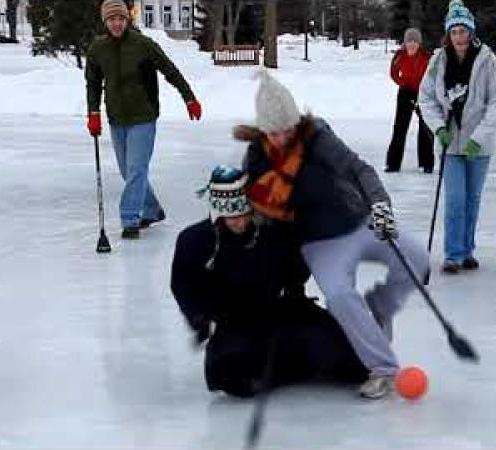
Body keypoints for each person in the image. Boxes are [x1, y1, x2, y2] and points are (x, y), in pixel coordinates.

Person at [238, 72, 429, 399]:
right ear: (263, 130)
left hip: (359, 220)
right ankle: (383, 368)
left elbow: (359, 169)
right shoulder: (257, 157)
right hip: (320, 242)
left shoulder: (317, 136)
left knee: (417, 259)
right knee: (340, 296)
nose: (282, 137)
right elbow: (255, 209)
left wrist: (380, 206)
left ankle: (379, 305)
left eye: (288, 129)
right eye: (274, 132)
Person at [171, 166, 367, 397]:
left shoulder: (275, 228)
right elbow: (184, 285)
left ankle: (296, 363)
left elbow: (300, 258)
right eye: (230, 217)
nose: (238, 222)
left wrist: (293, 287)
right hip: (235, 320)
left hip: (283, 310)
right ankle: (287, 368)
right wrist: (199, 318)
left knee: (352, 360)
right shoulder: (195, 240)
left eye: (243, 214)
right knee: (228, 374)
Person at [85, 0, 202, 239]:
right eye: (112, 19)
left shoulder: (143, 45)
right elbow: (93, 84)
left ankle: (130, 218)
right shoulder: (98, 49)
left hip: (143, 116)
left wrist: (189, 98)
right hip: (117, 118)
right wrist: (93, 113)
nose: (117, 24)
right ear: (105, 21)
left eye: (121, 18)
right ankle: (151, 210)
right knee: (128, 172)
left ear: (127, 19)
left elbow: (170, 71)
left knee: (136, 168)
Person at [418, 0, 496, 274]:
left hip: (478, 145)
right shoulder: (438, 60)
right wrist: (438, 128)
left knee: (471, 199)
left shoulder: (488, 61)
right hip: (450, 143)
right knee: (455, 199)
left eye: (463, 31)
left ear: (471, 31)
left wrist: (478, 138)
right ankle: (453, 254)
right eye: (454, 31)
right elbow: (426, 97)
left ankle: (467, 250)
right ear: (448, 34)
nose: (459, 37)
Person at [385, 28, 434, 174]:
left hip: (423, 93)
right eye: (409, 41)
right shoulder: (399, 56)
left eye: (415, 41)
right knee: (400, 127)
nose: (412, 44)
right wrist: (402, 83)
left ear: (419, 43)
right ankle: (393, 164)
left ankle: (426, 163)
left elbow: (433, 74)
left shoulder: (426, 56)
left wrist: (426, 87)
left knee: (425, 127)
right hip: (405, 92)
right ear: (405, 43)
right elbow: (393, 72)